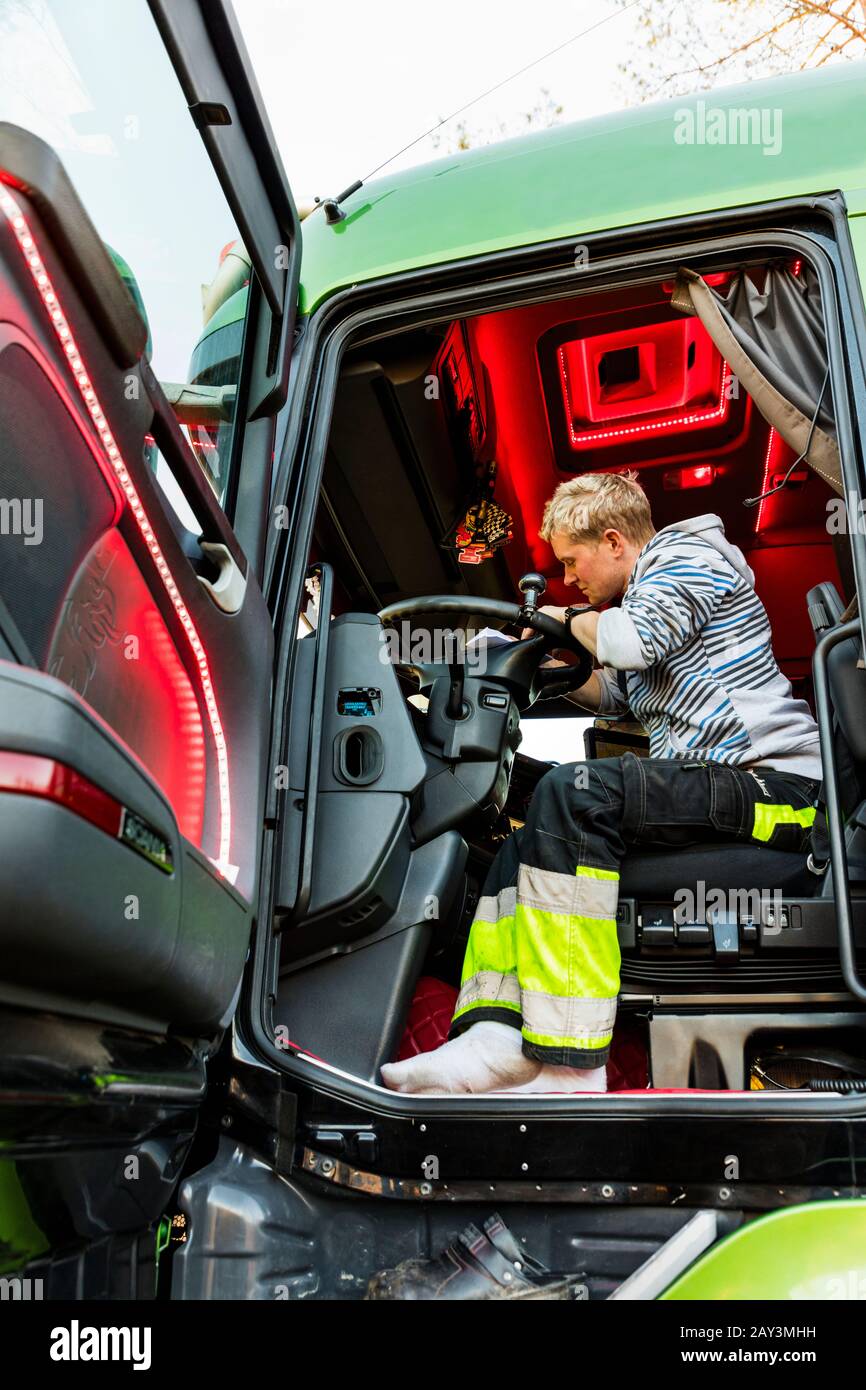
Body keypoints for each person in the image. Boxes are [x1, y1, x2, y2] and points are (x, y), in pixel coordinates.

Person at [381, 472, 823, 1096]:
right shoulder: (649, 600)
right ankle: (495, 1037)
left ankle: (572, 1063)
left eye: (572, 560)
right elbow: (611, 689)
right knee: (525, 840)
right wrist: (529, 648)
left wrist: (561, 616)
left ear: (614, 541)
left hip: (781, 793)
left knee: (574, 788)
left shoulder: (688, 555)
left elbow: (626, 642)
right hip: (720, 792)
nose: (569, 578)